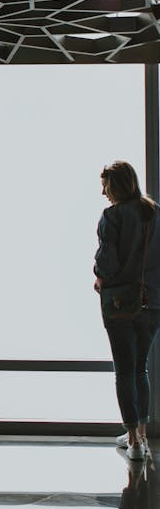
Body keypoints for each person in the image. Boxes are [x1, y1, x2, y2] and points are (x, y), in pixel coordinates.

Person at [95, 161, 160, 461]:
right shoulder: (154, 213)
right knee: (140, 368)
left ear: (117, 185)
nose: (104, 192)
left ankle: (132, 439)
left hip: (120, 303)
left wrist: (99, 276)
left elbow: (107, 261)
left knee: (124, 370)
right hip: (154, 302)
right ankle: (143, 436)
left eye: (106, 186)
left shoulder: (113, 216)